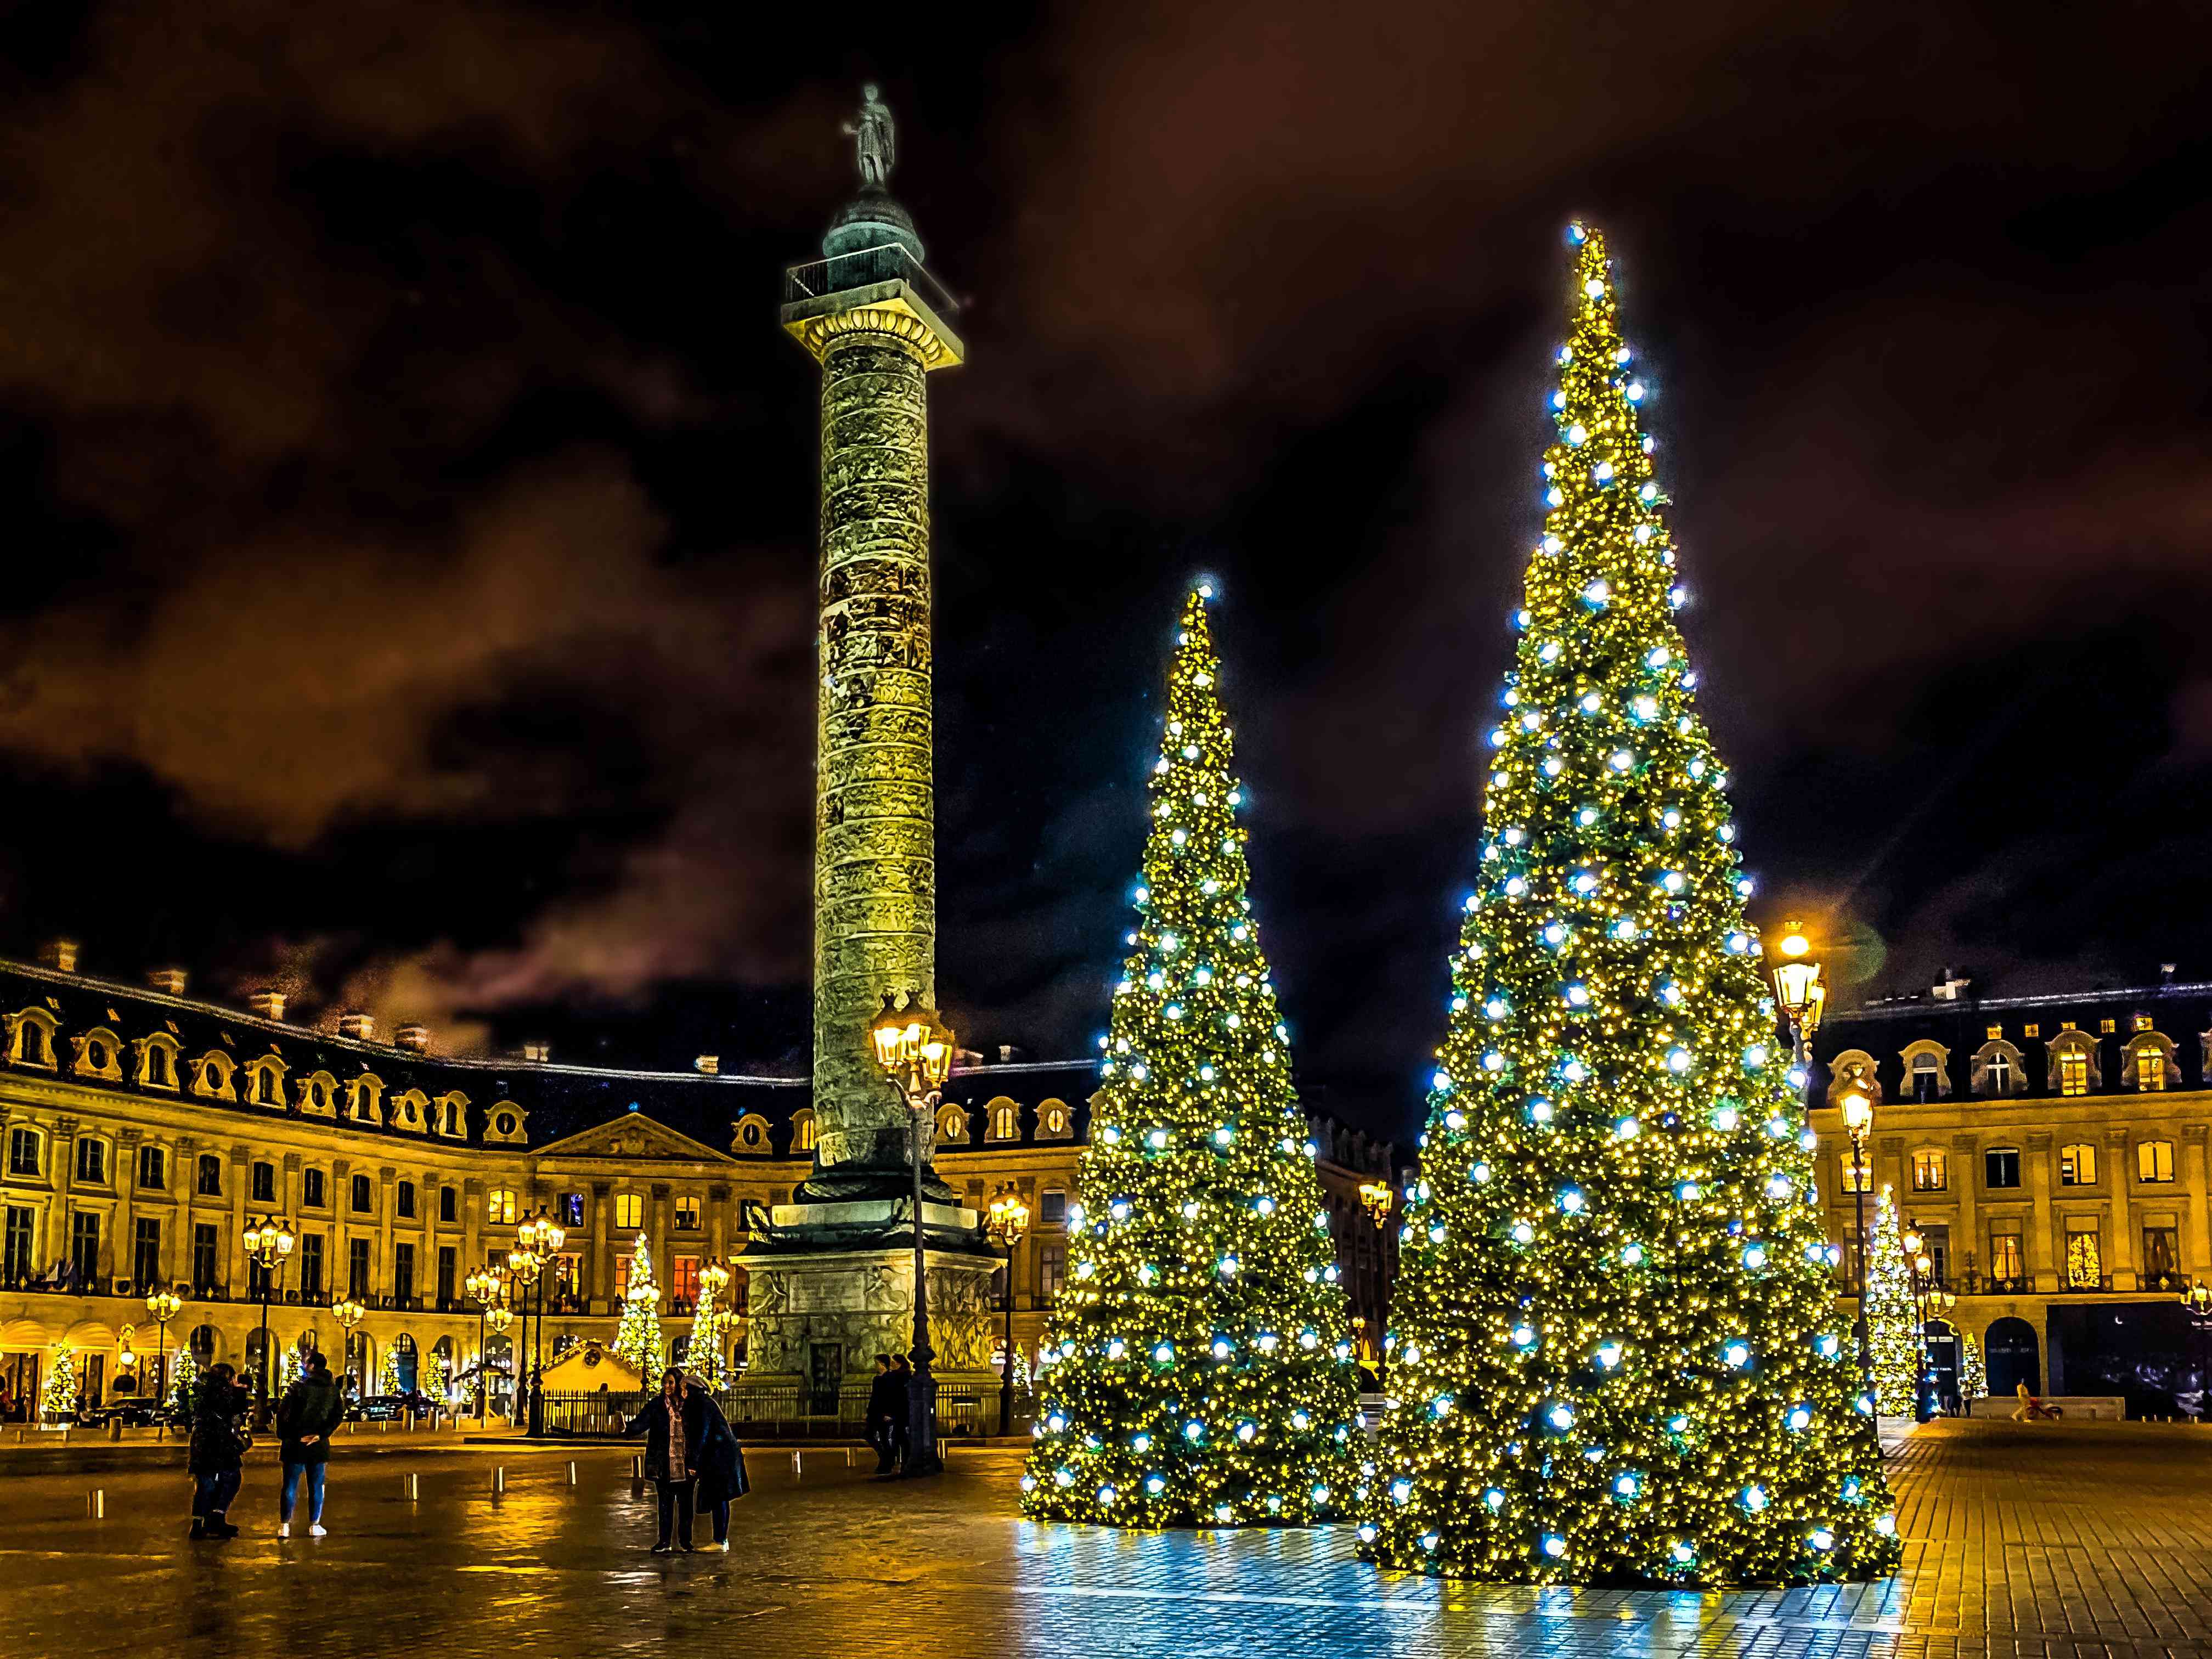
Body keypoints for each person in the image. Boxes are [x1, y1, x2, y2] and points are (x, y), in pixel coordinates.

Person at [627, 1366, 708, 1553]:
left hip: (685, 1463)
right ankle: (664, 1541)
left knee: (686, 1505)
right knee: (664, 1504)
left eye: (671, 1382)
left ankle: (686, 1541)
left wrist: (696, 1461)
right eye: (665, 1383)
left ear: (679, 1384)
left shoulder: (690, 1406)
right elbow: (642, 1422)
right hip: (663, 1463)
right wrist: (627, 1428)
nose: (667, 1386)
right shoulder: (657, 1405)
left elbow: (698, 1433)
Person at [275, 1350, 347, 1538]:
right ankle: (315, 1525)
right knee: (316, 1486)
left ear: (312, 1367)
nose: (303, 1366)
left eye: (305, 1364)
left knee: (289, 1485)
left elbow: (284, 1414)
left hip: (294, 1442)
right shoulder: (332, 1390)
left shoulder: (298, 1388)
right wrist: (321, 1435)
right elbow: (338, 1415)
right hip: (317, 1444)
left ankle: (285, 1526)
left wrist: (287, 1435)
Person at [187, 1362, 249, 1540]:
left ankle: (198, 1524)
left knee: (206, 1484)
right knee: (231, 1479)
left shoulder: (201, 1393)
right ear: (228, 1378)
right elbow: (237, 1411)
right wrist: (240, 1390)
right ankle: (217, 1517)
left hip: (201, 1444)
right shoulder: (229, 1393)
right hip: (220, 1444)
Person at [694, 1386, 750, 1551]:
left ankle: (720, 1541)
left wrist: (693, 1460)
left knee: (720, 1497)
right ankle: (720, 1540)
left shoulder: (703, 1405)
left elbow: (702, 1433)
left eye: (685, 1389)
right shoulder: (706, 1403)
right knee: (720, 1497)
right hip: (721, 1455)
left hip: (720, 1456)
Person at [865, 1355, 900, 1473]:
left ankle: (886, 1462)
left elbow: (891, 1397)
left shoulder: (890, 1378)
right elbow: (875, 1397)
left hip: (883, 1414)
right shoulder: (877, 1379)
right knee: (869, 1435)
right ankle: (886, 1459)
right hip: (875, 1412)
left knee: (883, 1438)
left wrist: (889, 1413)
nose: (875, 1365)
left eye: (877, 1363)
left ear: (882, 1364)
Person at [887, 1354, 913, 1471]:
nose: (891, 1364)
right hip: (905, 1411)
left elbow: (894, 1396)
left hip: (899, 1411)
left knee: (897, 1437)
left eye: (893, 1362)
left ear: (899, 1363)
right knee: (900, 1437)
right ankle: (902, 1462)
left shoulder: (896, 1376)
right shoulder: (908, 1375)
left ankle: (895, 1461)